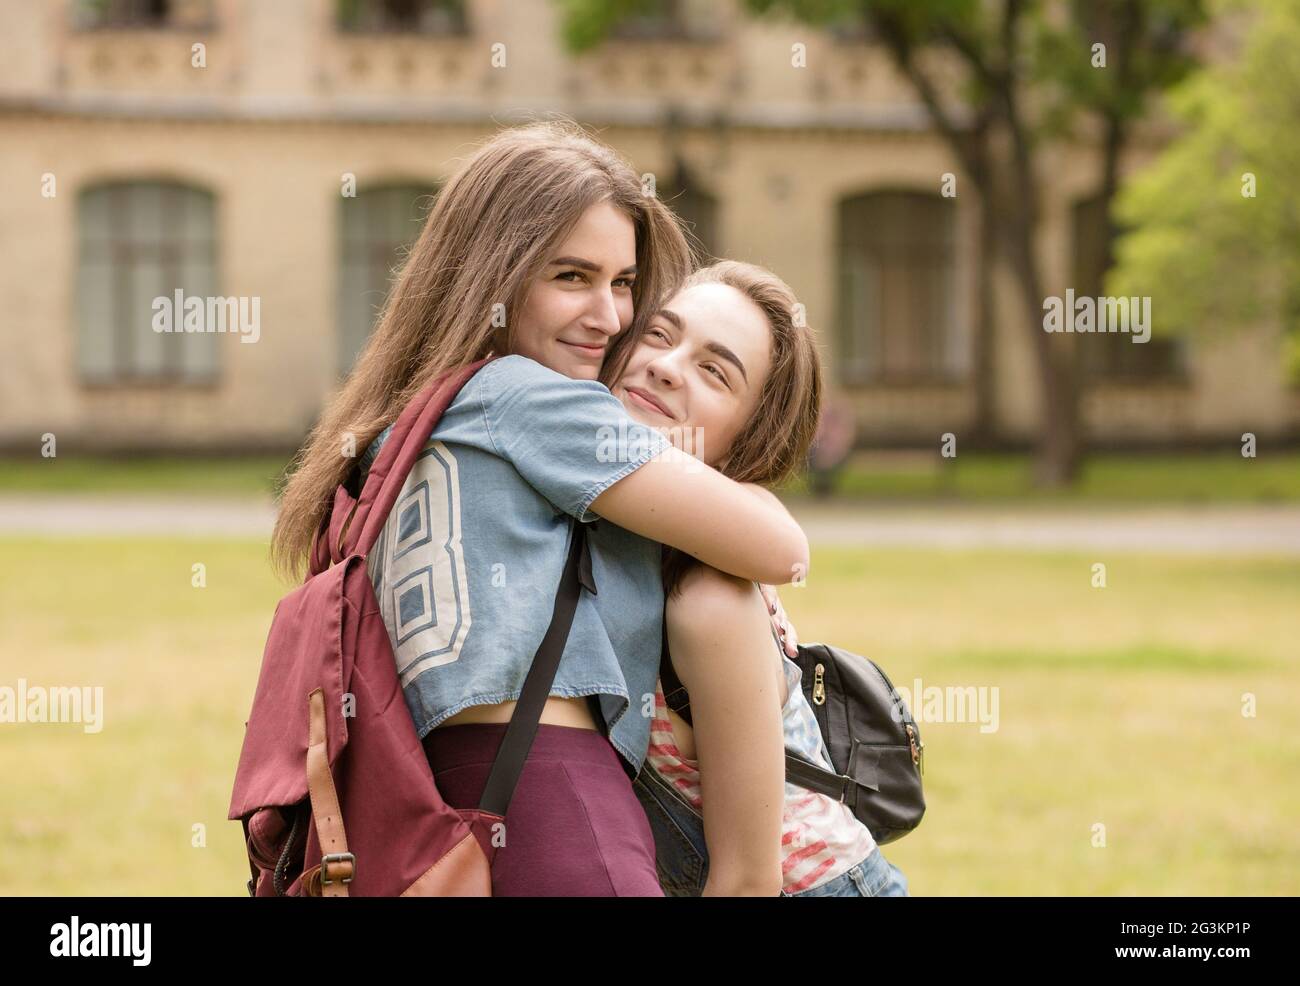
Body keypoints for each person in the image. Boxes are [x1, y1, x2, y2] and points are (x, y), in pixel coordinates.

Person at [270, 120, 809, 896]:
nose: (611, 317)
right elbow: (782, 550)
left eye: (623, 284)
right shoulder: (530, 401)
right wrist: (742, 481)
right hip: (560, 797)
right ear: (494, 274)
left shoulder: (403, 423)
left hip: (430, 807)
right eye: (571, 277)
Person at [614, 260, 911, 897]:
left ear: (740, 445)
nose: (668, 366)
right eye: (661, 335)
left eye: (713, 371)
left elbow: (749, 880)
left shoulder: (707, 598)